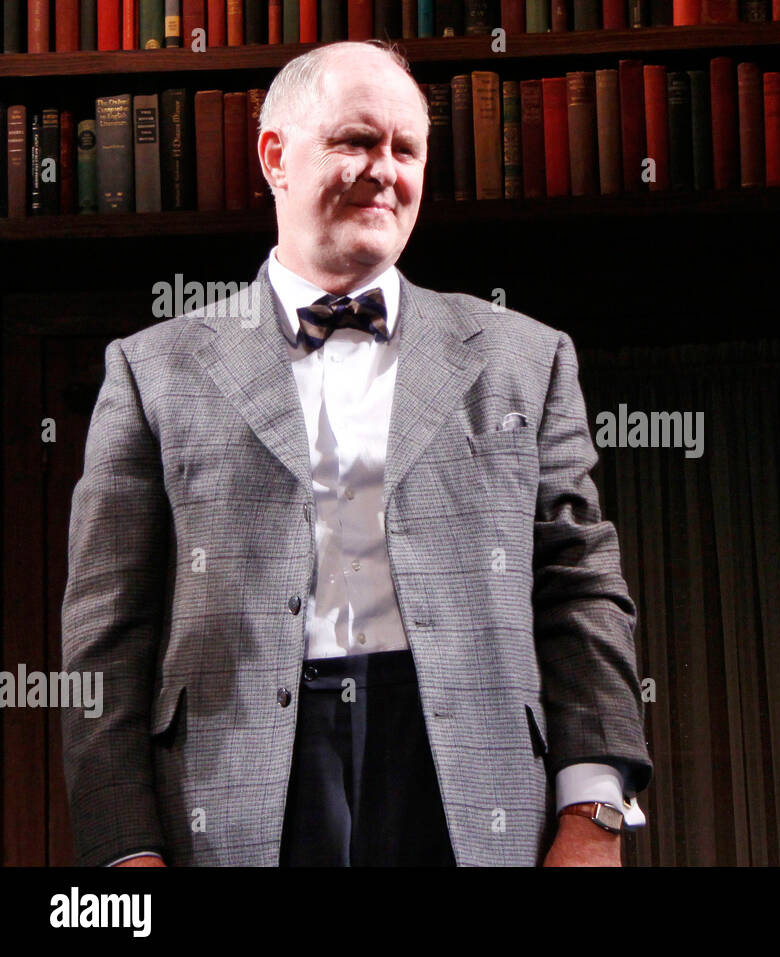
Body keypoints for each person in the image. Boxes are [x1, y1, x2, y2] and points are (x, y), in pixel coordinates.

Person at [61, 40, 651, 867]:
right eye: (356, 141)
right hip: (232, 799)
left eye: (405, 149)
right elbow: (105, 633)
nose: (386, 170)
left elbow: (580, 590)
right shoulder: (151, 369)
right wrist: (124, 849)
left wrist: (593, 816)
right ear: (276, 156)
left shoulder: (529, 357)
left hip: (471, 790)